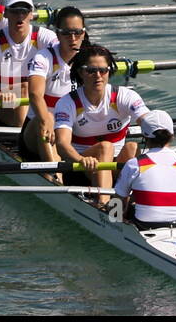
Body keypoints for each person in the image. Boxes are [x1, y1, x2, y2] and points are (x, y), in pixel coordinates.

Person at [52, 44, 149, 203]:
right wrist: (80, 160)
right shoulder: (68, 103)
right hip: (81, 169)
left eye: (103, 70)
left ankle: (125, 204)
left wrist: (159, 134)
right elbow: (62, 144)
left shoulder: (124, 96)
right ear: (81, 72)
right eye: (91, 70)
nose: (98, 75)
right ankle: (105, 206)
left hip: (115, 167)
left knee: (132, 147)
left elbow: (146, 120)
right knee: (105, 147)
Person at [0, 0, 58, 127]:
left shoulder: (47, 37)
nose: (20, 16)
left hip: (36, 102)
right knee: (26, 87)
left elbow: (65, 60)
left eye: (24, 11)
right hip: (1, 103)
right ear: (6, 14)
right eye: (14, 11)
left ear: (31, 14)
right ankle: (20, 135)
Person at [113, 110, 176, 230]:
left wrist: (113, 218)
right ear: (172, 135)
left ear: (144, 137)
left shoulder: (135, 164)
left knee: (117, 204)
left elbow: (118, 201)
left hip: (143, 226)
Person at [20, 6, 86, 164]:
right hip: (39, 131)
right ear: (57, 34)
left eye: (77, 33)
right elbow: (35, 95)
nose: (72, 38)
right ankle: (56, 178)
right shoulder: (43, 58)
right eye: (66, 33)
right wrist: (46, 120)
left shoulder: (89, 60)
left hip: (70, 132)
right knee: (47, 118)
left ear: (83, 33)